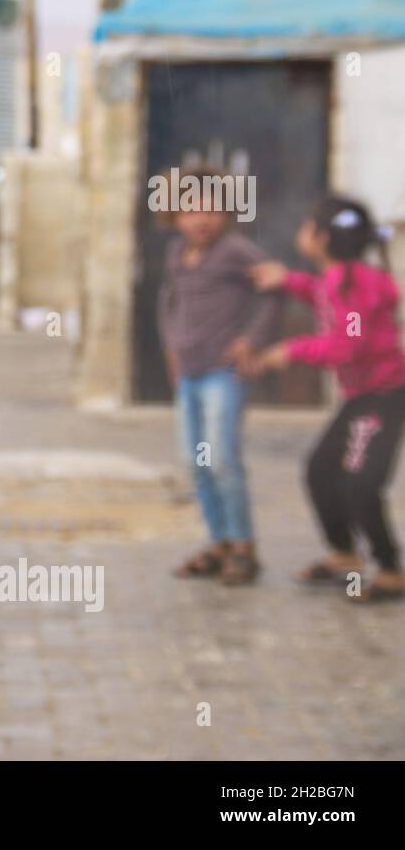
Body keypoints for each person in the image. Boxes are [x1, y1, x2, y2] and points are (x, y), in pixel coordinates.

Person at [249, 197, 405, 603]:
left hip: (382, 396)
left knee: (360, 482)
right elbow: (324, 296)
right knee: (320, 470)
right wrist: (288, 280)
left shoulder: (354, 284)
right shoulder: (342, 279)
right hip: (362, 397)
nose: (301, 232)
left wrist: (291, 351)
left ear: (321, 237)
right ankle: (344, 555)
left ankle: (390, 569)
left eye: (306, 226)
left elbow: (348, 344)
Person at [159, 167, 281, 585]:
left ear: (227, 211)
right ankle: (219, 543)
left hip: (222, 375)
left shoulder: (235, 251)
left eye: (210, 207)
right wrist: (172, 351)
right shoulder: (177, 254)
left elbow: (274, 291)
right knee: (197, 462)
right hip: (189, 377)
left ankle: (244, 547)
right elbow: (169, 303)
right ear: (173, 214)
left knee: (223, 458)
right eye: (190, 209)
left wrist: (252, 341)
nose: (201, 217)